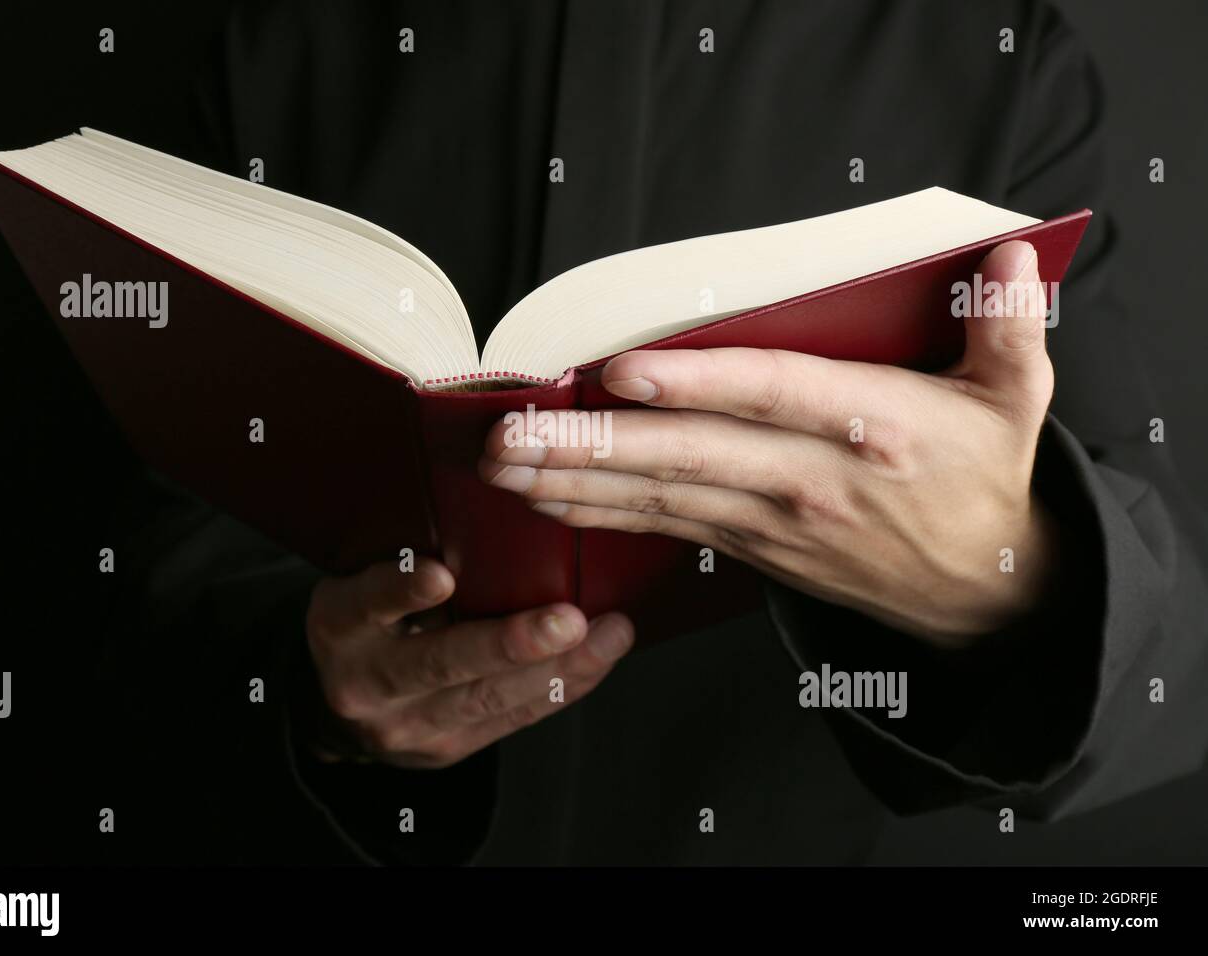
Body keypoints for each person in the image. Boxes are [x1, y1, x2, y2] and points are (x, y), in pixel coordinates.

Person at [104, 0, 1208, 864]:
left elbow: (1169, 677)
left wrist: (994, 573)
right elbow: (149, 541)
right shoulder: (279, 41)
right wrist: (312, 695)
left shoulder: (1000, 59)